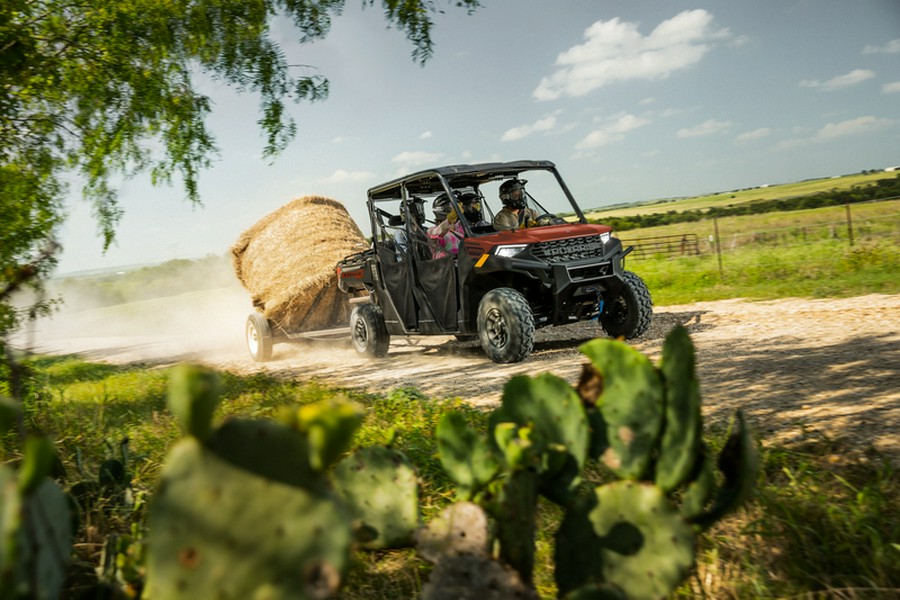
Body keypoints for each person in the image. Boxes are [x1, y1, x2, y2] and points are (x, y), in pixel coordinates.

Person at [427, 191, 486, 258]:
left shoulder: (462, 228)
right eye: (452, 206)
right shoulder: (432, 231)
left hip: (466, 263)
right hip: (446, 266)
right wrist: (449, 220)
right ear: (442, 209)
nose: (456, 209)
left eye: (458, 206)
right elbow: (439, 232)